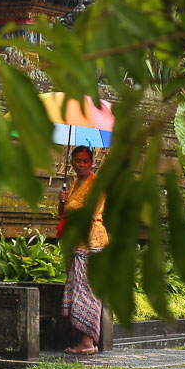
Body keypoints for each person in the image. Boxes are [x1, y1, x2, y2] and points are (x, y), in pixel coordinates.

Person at [58, 145, 108, 354]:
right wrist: (61, 202)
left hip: (92, 242)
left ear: (92, 163)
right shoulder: (73, 184)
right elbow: (63, 214)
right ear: (71, 163)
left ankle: (88, 342)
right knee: (77, 290)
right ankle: (84, 340)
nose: (81, 165)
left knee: (88, 290)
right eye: (77, 161)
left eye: (85, 161)